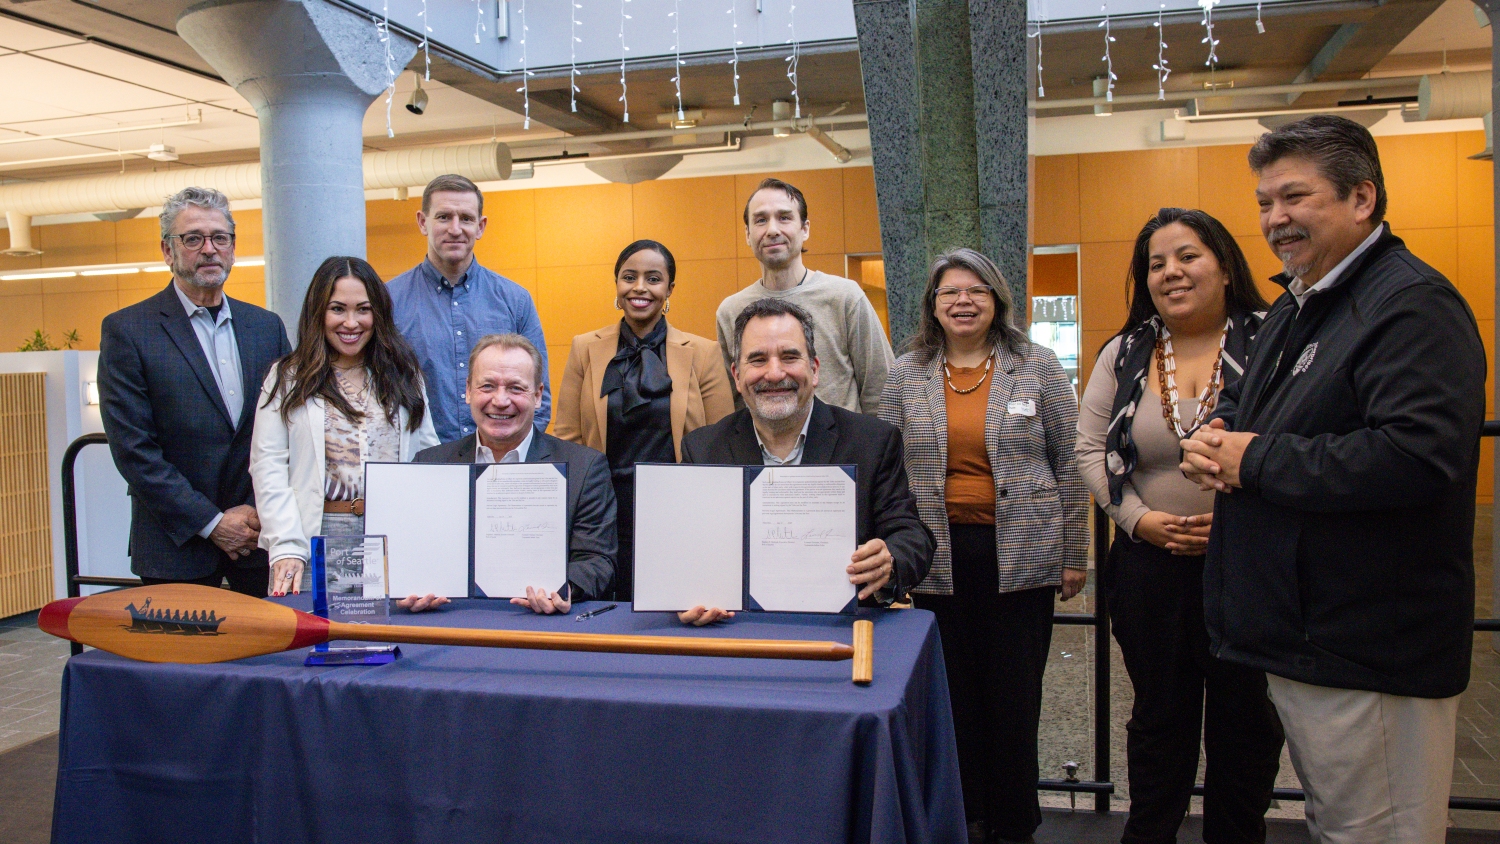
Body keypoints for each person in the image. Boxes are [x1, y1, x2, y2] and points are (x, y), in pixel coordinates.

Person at [1180, 115, 1486, 843]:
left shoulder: (1410, 304)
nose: (1274, 219)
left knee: (1374, 831)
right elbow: (1253, 403)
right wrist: (1219, 431)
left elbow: (1416, 455)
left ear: (1362, 199)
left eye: (1295, 197)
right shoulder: (1305, 300)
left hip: (1368, 644)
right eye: (1263, 203)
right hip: (1311, 637)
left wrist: (1249, 460)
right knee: (1339, 824)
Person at [1076, 210, 1284, 844]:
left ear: (1224, 264)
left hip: (1249, 568)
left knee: (1246, 721)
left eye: (1188, 256)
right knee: (1158, 719)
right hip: (1148, 568)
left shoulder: (1276, 338)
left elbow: (1301, 444)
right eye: (1156, 263)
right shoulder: (1126, 350)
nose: (1171, 272)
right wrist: (1140, 522)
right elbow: (1089, 448)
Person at [876, 247, 1088, 844]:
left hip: (1021, 554)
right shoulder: (905, 372)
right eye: (949, 292)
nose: (963, 301)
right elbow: (888, 469)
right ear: (932, 306)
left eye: (976, 290)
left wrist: (1075, 554)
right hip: (935, 558)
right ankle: (961, 816)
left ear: (997, 299)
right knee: (954, 699)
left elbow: (1068, 462)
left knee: (1014, 701)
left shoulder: (1037, 365)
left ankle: (1014, 823)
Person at [679, 298, 933, 625]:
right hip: (735, 628)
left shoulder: (872, 441)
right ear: (737, 375)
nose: (774, 373)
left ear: (814, 370)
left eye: (789, 357)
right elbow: (685, 553)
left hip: (842, 631)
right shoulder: (702, 449)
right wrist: (685, 595)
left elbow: (912, 535)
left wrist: (889, 559)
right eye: (757, 359)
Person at [97, 187, 291, 596]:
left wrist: (256, 511)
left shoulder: (266, 327)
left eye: (220, 238)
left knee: (273, 659)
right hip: (176, 546)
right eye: (193, 238)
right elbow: (134, 450)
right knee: (181, 661)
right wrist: (213, 523)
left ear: (233, 248)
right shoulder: (128, 331)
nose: (209, 249)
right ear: (168, 251)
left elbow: (292, 430)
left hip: (261, 540)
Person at [552, 240, 735, 600]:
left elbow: (721, 443)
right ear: (616, 287)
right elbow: (567, 439)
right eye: (629, 277)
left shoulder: (704, 353)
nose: (639, 287)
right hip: (601, 511)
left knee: (669, 607)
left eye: (653, 278)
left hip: (678, 509)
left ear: (669, 290)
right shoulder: (583, 348)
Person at [249, 256, 440, 598]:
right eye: (338, 309)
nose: (351, 322)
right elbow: (268, 467)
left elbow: (425, 462)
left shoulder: (404, 375)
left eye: (363, 310)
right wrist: (286, 546)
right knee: (315, 642)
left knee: (387, 640)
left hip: (390, 534)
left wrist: (426, 543)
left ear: (377, 314)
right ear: (318, 313)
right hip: (314, 537)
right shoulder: (287, 378)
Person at [414, 333, 616, 614]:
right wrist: (410, 586)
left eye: (516, 388)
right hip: (450, 619)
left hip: (539, 626)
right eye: (487, 386)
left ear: (537, 396)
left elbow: (598, 561)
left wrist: (563, 588)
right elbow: (413, 553)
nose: (500, 400)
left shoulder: (584, 468)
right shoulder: (429, 465)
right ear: (469, 391)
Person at [387, 174, 550, 442]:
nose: (455, 229)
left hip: (498, 464)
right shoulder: (389, 301)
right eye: (443, 217)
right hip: (423, 465)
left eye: (466, 218)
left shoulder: (515, 300)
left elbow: (537, 399)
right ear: (422, 222)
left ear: (481, 226)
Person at [714, 177, 893, 414]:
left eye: (784, 217)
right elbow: (734, 401)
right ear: (747, 234)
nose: (772, 230)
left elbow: (882, 390)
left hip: (844, 447)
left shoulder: (844, 297)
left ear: (805, 228)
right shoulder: (731, 311)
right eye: (760, 220)